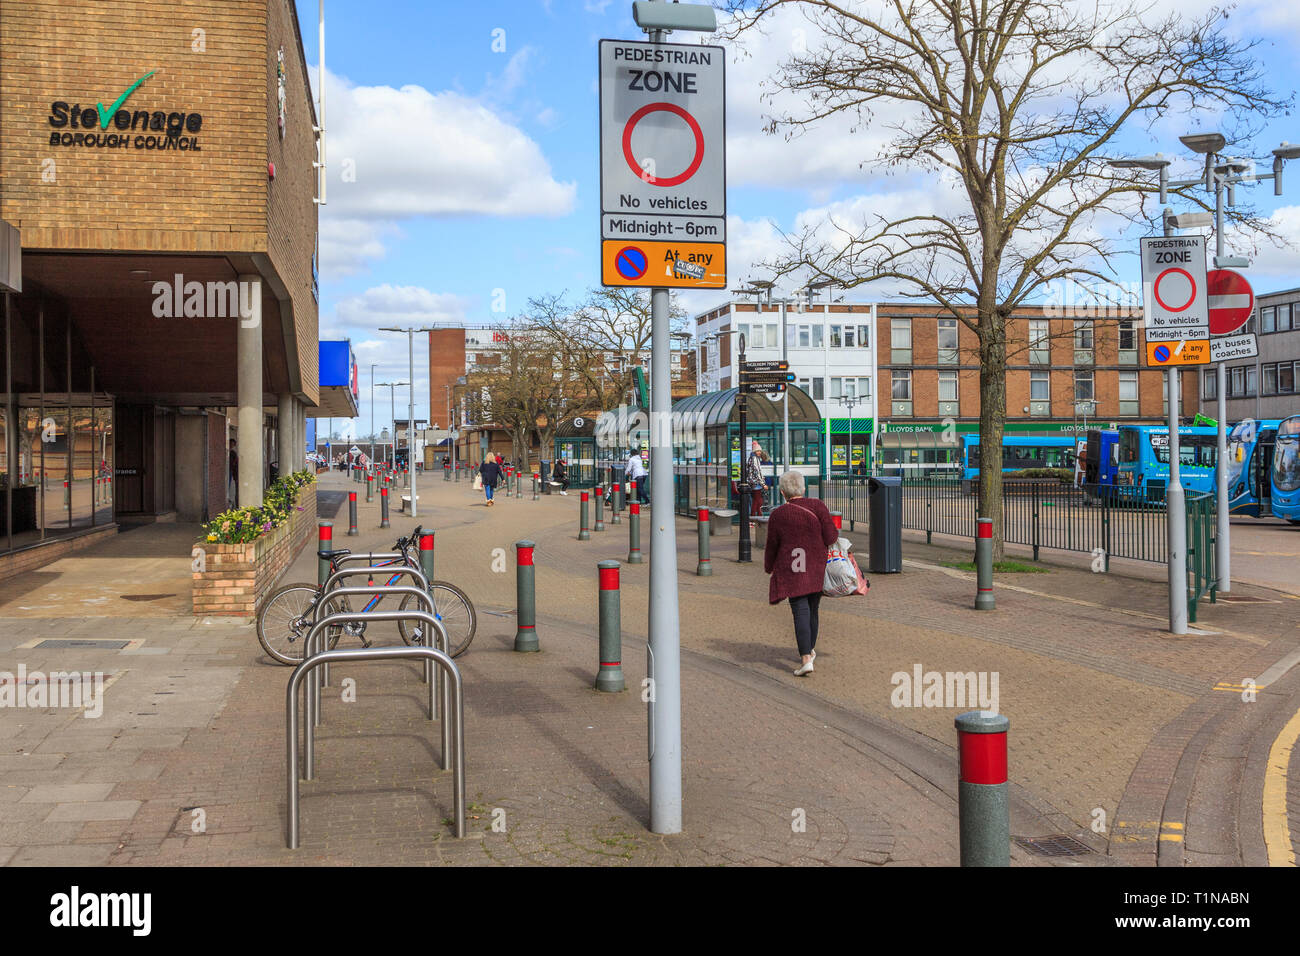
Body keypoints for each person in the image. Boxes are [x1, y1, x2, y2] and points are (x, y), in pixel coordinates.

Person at [763, 470, 838, 676]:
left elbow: (772, 546)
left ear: (782, 492)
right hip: (815, 567)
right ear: (803, 488)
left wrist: (769, 567)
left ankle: (806, 658)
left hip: (793, 569)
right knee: (812, 608)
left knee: (800, 611)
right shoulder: (818, 507)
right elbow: (831, 536)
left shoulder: (778, 515)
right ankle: (810, 651)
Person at [746, 439, 769, 516]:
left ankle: (758, 515)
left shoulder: (752, 458)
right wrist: (763, 484)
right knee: (757, 501)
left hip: (754, 482)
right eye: (758, 451)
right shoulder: (755, 459)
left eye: (760, 451)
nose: (759, 452)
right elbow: (757, 471)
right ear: (754, 451)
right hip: (756, 483)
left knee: (757, 500)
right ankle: (755, 517)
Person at [228, 438, 239, 508]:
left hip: (230, 471)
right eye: (230, 444)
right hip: (228, 471)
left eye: (232, 445)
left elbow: (235, 465)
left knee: (228, 486)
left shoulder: (233, 454)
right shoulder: (227, 452)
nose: (231, 446)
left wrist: (236, 477)